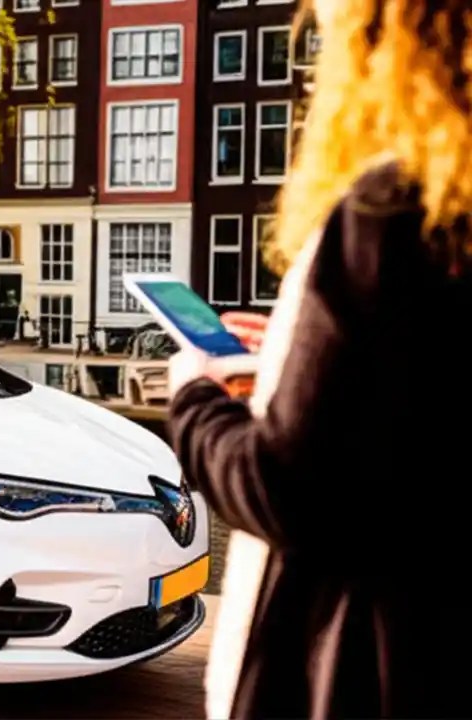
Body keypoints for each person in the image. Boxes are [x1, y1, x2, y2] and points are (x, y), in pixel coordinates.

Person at [166, 0, 472, 717]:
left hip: (376, 666)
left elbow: (285, 489)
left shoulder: (394, 210)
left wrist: (195, 398)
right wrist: (306, 356)